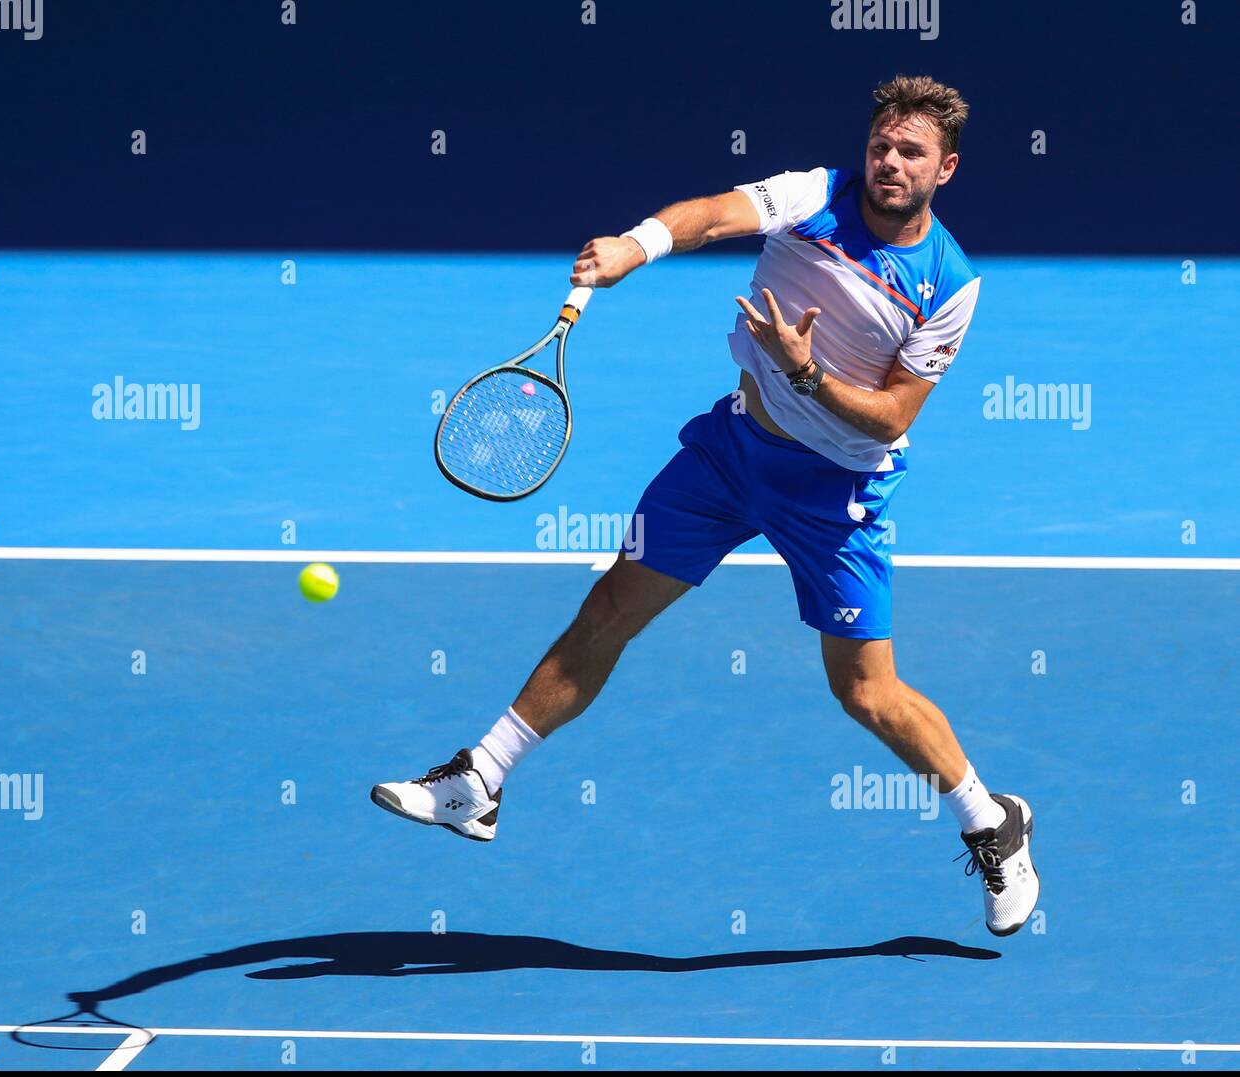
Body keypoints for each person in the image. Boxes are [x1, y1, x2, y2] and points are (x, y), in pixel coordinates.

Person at [372, 75, 1040, 937]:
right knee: (611, 604)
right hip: (731, 455)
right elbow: (715, 214)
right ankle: (481, 779)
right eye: (880, 144)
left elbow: (894, 414)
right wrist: (633, 246)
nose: (889, 161)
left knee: (866, 693)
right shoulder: (813, 195)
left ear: (945, 168)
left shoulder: (951, 285)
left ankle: (991, 820)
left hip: (836, 492)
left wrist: (803, 371)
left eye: (911, 152)